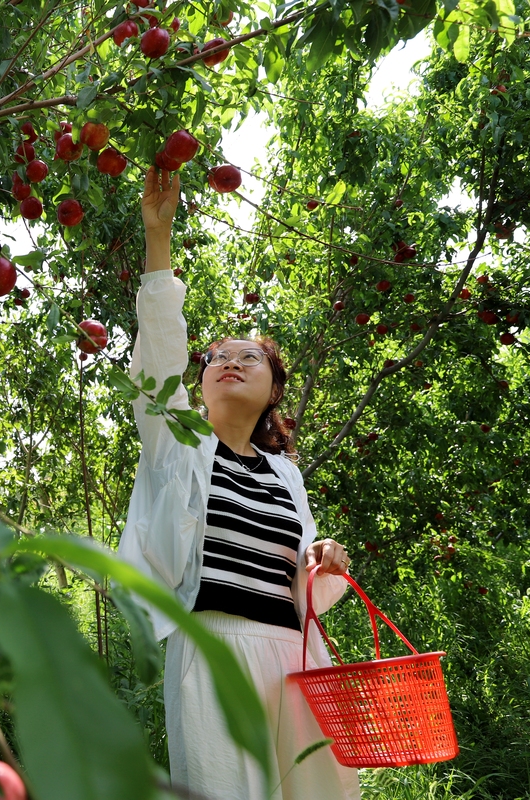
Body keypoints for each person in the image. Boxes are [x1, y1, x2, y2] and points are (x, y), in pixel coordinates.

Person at [117, 166, 361, 800]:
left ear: (273, 389)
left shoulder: (285, 474)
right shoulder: (177, 442)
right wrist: (159, 237)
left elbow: (303, 581)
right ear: (199, 384)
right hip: (213, 649)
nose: (228, 361)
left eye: (246, 356)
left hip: (296, 659)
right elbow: (162, 355)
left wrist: (323, 560)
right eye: (217, 357)